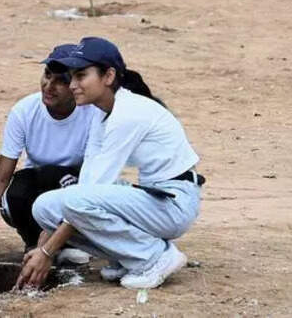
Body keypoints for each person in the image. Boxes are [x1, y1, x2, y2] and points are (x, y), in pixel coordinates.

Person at [15, 37, 203, 291]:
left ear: (108, 76)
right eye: (72, 77)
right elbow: (87, 182)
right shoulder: (101, 112)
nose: (72, 85)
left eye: (81, 76)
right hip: (154, 198)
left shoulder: (127, 113)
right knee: (44, 208)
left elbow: (84, 197)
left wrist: (47, 251)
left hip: (174, 204)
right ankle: (127, 257)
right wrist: (43, 245)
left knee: (75, 201)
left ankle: (154, 257)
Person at [0, 44, 102, 265]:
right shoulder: (24, 110)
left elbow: (93, 178)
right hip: (36, 183)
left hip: (74, 185)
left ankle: (69, 242)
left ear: (76, 85)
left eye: (61, 81)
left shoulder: (93, 114)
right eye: (47, 75)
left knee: (62, 180)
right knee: (16, 194)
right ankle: (32, 242)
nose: (49, 85)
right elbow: (2, 176)